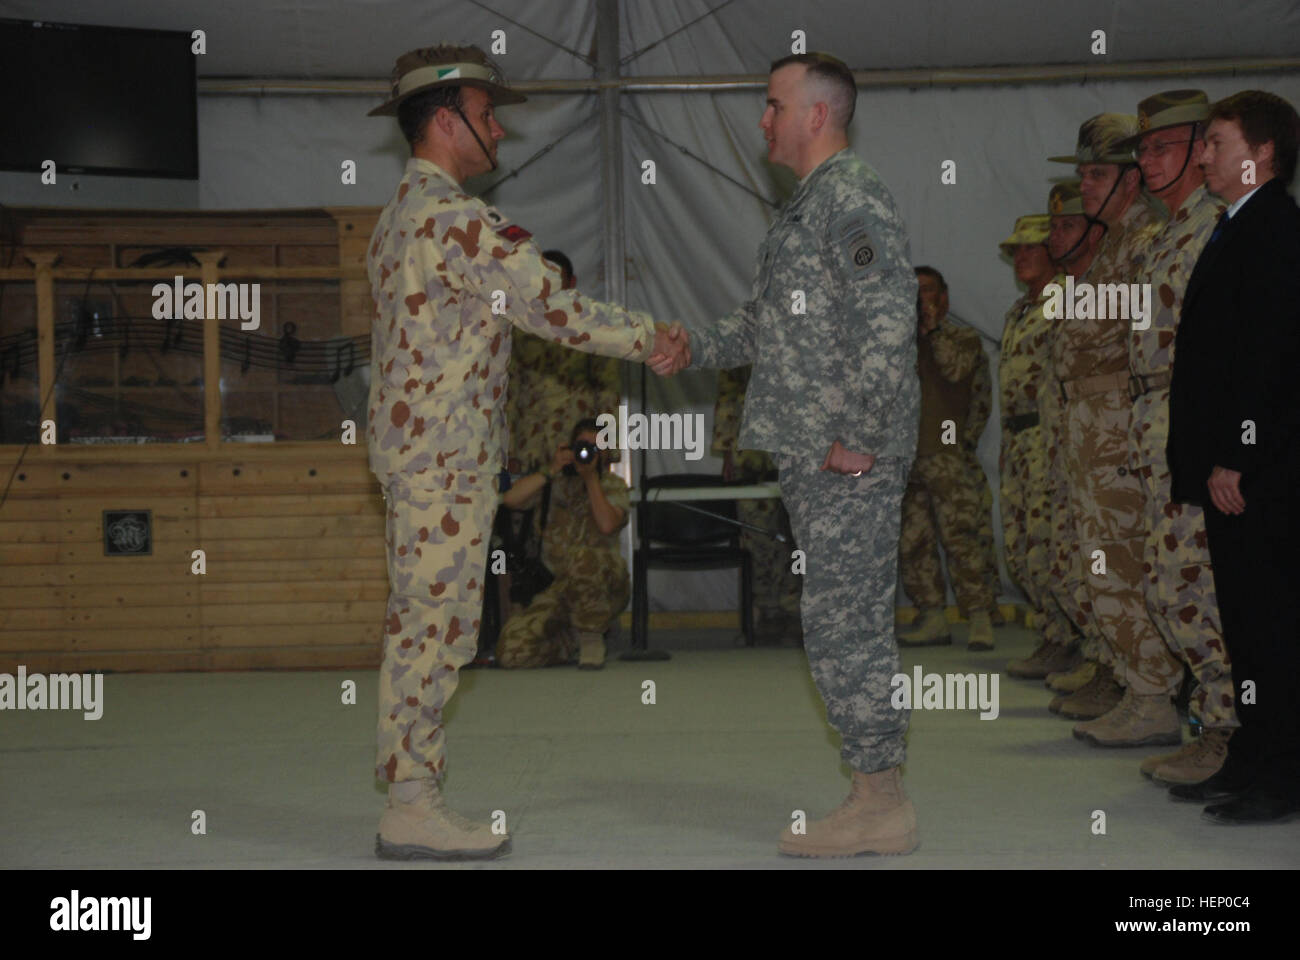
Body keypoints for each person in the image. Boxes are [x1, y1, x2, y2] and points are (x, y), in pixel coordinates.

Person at [365, 44, 687, 861]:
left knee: (427, 624)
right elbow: (552, 308)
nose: (500, 130)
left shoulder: (400, 214)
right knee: (432, 631)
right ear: (448, 120)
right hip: (442, 459)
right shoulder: (453, 219)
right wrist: (650, 336)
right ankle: (410, 803)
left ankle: (412, 793)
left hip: (428, 453)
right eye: (487, 114)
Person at [662, 51, 921, 857]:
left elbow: (890, 321)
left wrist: (862, 436)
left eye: (775, 105)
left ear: (817, 114)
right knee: (834, 619)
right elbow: (762, 326)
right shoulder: (805, 209)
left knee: (849, 624)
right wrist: (691, 345)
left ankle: (880, 801)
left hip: (847, 455)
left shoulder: (851, 199)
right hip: (817, 452)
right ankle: (874, 790)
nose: (763, 120)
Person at [1167, 90, 1300, 823]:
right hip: (1237, 466)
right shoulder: (1238, 224)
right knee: (1245, 623)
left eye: (1217, 142)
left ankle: (1284, 772)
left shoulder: (1275, 229)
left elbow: (1270, 357)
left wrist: (1235, 456)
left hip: (1260, 472)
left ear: (1264, 152)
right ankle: (1254, 753)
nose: (1205, 157)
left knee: (1271, 622)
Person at [1112, 91, 1235, 785]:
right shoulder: (1169, 233)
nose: (1149, 161)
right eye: (1144, 150)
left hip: (1189, 420)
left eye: (1164, 147)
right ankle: (1212, 723)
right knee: (1169, 581)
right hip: (1155, 421)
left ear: (1199, 147)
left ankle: (1227, 733)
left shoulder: (1215, 226)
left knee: (1193, 583)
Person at [1046, 114, 1181, 745]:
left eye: (1098, 174)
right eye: (1084, 173)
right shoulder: (1111, 241)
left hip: (1119, 424)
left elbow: (1144, 335)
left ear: (1131, 180)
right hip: (1092, 425)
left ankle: (1153, 697)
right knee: (1103, 561)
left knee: (1124, 562)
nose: (1086, 185)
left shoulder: (1145, 238)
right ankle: (1136, 688)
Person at [995, 210, 1084, 679]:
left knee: (1052, 545)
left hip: (1049, 439)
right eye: (1017, 250)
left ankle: (1079, 644)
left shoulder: (1068, 300)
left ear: (1054, 251)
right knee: (1021, 545)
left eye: (1032, 247)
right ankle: (1054, 635)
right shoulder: (1019, 311)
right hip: (1018, 441)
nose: (1022, 257)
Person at [897, 266, 998, 650]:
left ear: (944, 298)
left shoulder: (962, 338)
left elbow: (956, 372)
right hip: (906, 458)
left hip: (946, 455)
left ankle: (979, 617)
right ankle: (932, 616)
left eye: (927, 290)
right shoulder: (899, 344)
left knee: (961, 538)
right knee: (913, 542)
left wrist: (933, 329)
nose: (920, 298)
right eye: (913, 291)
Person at [496, 420, 631, 669]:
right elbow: (511, 500)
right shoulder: (553, 483)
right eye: (582, 446)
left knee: (584, 558)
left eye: (595, 448)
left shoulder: (613, 485)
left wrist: (590, 479)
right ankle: (572, 638)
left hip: (604, 586)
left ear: (605, 453)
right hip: (557, 588)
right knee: (511, 652)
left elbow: (607, 525)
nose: (587, 453)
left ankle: (591, 638)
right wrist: (551, 469)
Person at [507, 251, 622, 476]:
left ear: (571, 283)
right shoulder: (519, 329)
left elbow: (607, 392)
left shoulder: (591, 327)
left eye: (556, 281)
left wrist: (608, 447)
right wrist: (508, 451)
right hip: (531, 446)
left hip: (578, 443)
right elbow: (509, 394)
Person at [712, 365, 802, 643]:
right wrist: (728, 449)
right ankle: (768, 610)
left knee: (799, 536)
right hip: (750, 452)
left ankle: (796, 611)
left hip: (797, 445)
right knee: (757, 536)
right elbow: (728, 391)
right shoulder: (741, 340)